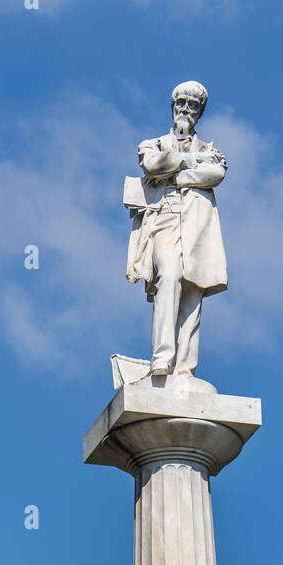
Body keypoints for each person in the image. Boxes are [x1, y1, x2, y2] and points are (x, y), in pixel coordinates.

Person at [126, 80, 228, 377]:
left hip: (197, 223)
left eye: (192, 105)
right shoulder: (153, 144)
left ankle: (185, 368)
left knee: (192, 289)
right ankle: (163, 357)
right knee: (168, 277)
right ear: (172, 107)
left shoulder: (212, 150)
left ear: (200, 112)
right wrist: (192, 161)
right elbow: (154, 165)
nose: (185, 109)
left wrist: (177, 176)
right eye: (181, 103)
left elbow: (215, 173)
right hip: (164, 219)